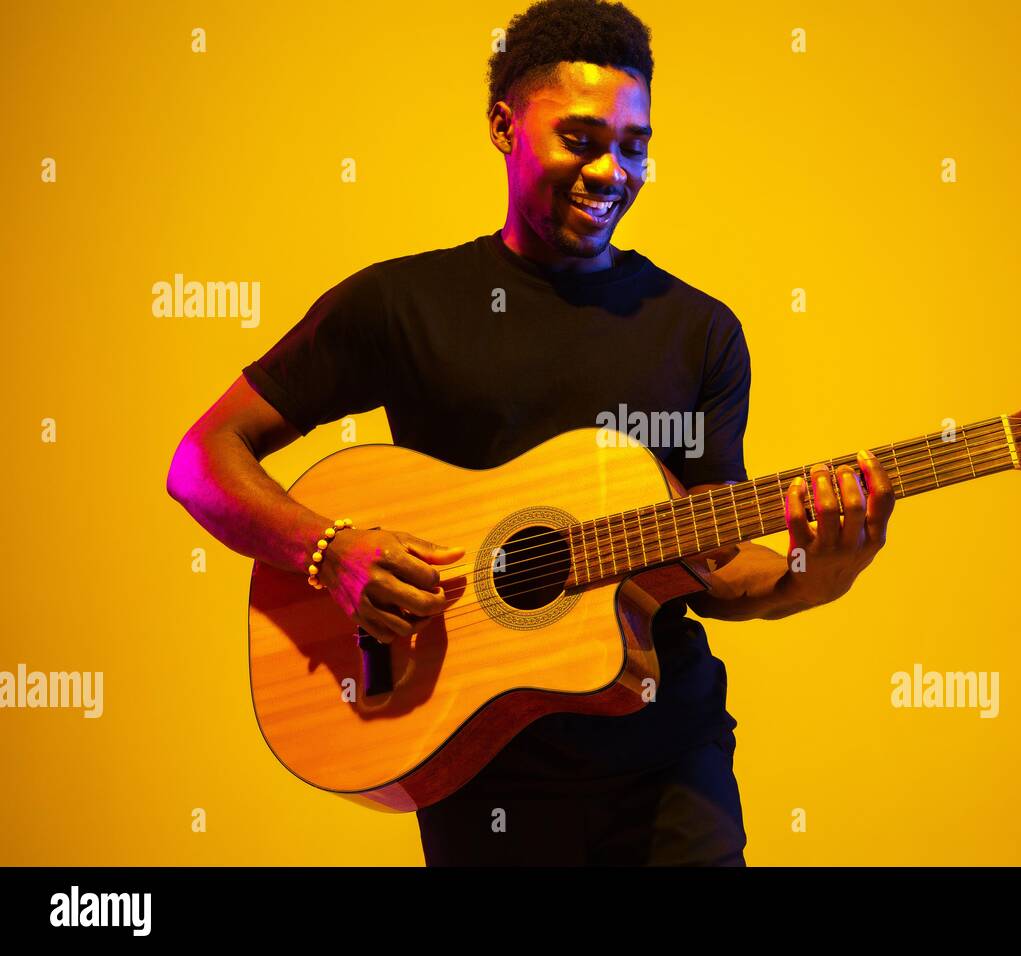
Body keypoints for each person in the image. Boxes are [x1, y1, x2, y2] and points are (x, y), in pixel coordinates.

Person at [166, 0, 894, 866]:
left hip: (669, 755)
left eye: (634, 145)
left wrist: (821, 573)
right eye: (582, 139)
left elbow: (714, 559)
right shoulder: (400, 306)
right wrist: (328, 549)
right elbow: (200, 459)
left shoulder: (699, 330)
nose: (611, 171)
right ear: (505, 125)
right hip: (476, 760)